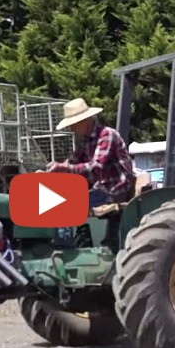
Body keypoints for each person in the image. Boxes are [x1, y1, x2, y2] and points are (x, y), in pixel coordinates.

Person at [45, 98, 136, 249]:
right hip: (102, 190)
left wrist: (63, 167)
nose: (72, 129)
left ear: (85, 121)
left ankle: (64, 250)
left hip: (115, 190)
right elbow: (72, 162)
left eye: (74, 124)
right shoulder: (86, 141)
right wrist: (52, 172)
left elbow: (96, 167)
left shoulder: (107, 135)